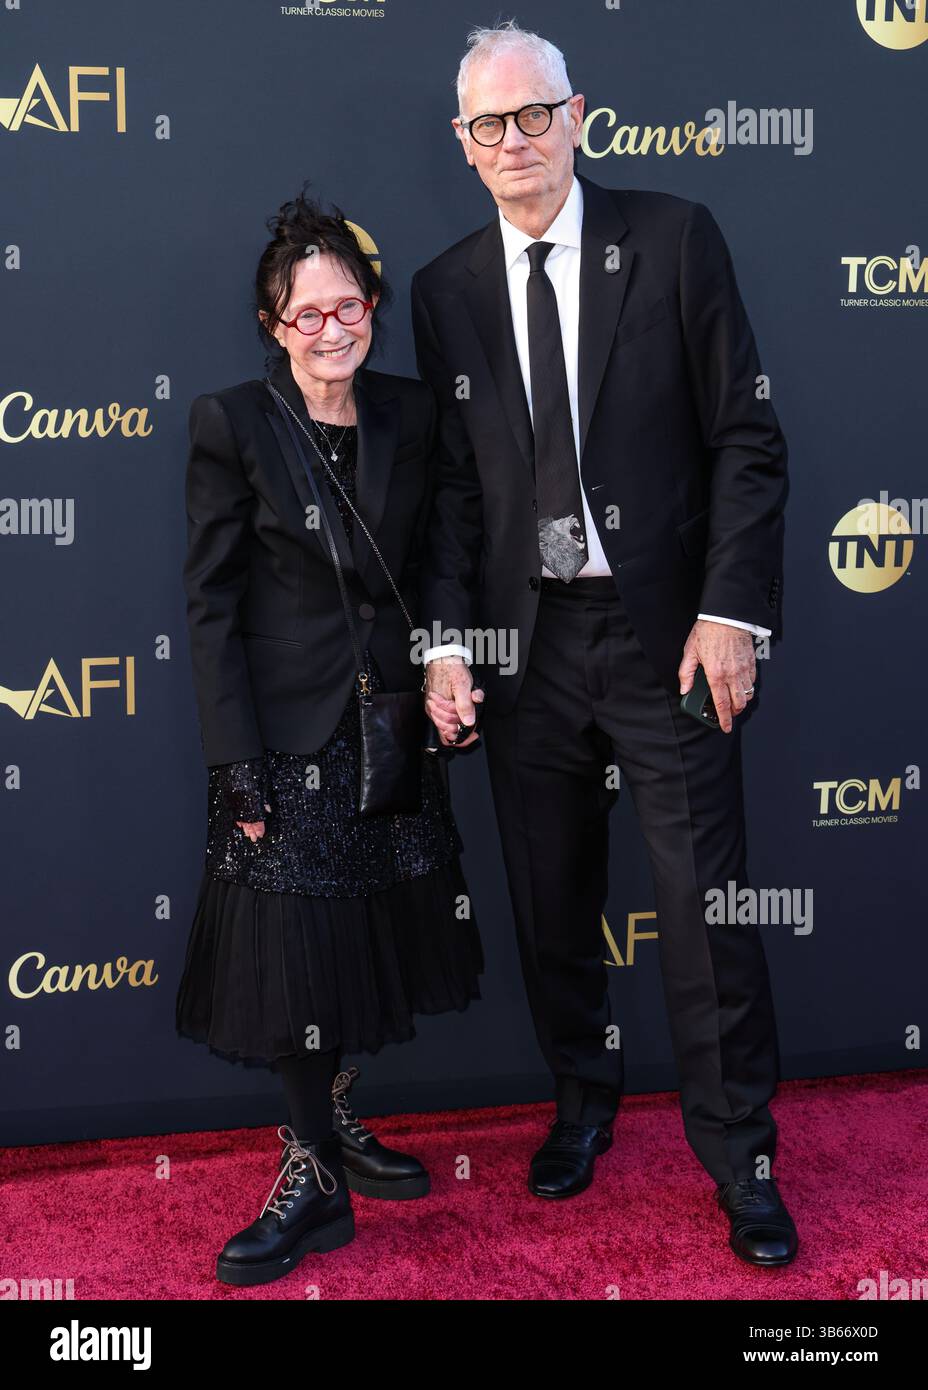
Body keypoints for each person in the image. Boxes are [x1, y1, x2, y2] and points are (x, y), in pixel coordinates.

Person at [414, 22, 796, 1266]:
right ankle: (582, 1104)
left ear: (580, 116)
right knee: (550, 902)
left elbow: (747, 439)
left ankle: (741, 1152)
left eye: (535, 115)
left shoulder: (676, 238)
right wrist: (457, 644)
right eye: (489, 125)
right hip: (527, 646)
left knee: (703, 910)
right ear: (462, 148)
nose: (515, 141)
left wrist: (729, 614)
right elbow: (458, 503)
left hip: (669, 639)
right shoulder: (445, 290)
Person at [175, 187, 484, 1287]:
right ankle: (312, 1177)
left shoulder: (411, 412)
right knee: (295, 967)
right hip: (288, 736)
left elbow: (445, 558)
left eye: (347, 308)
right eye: (306, 316)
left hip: (388, 728)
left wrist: (447, 653)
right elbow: (210, 604)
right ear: (274, 326)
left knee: (363, 944)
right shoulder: (234, 424)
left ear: (373, 309)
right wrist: (234, 762)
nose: (331, 330)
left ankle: (336, 1118)